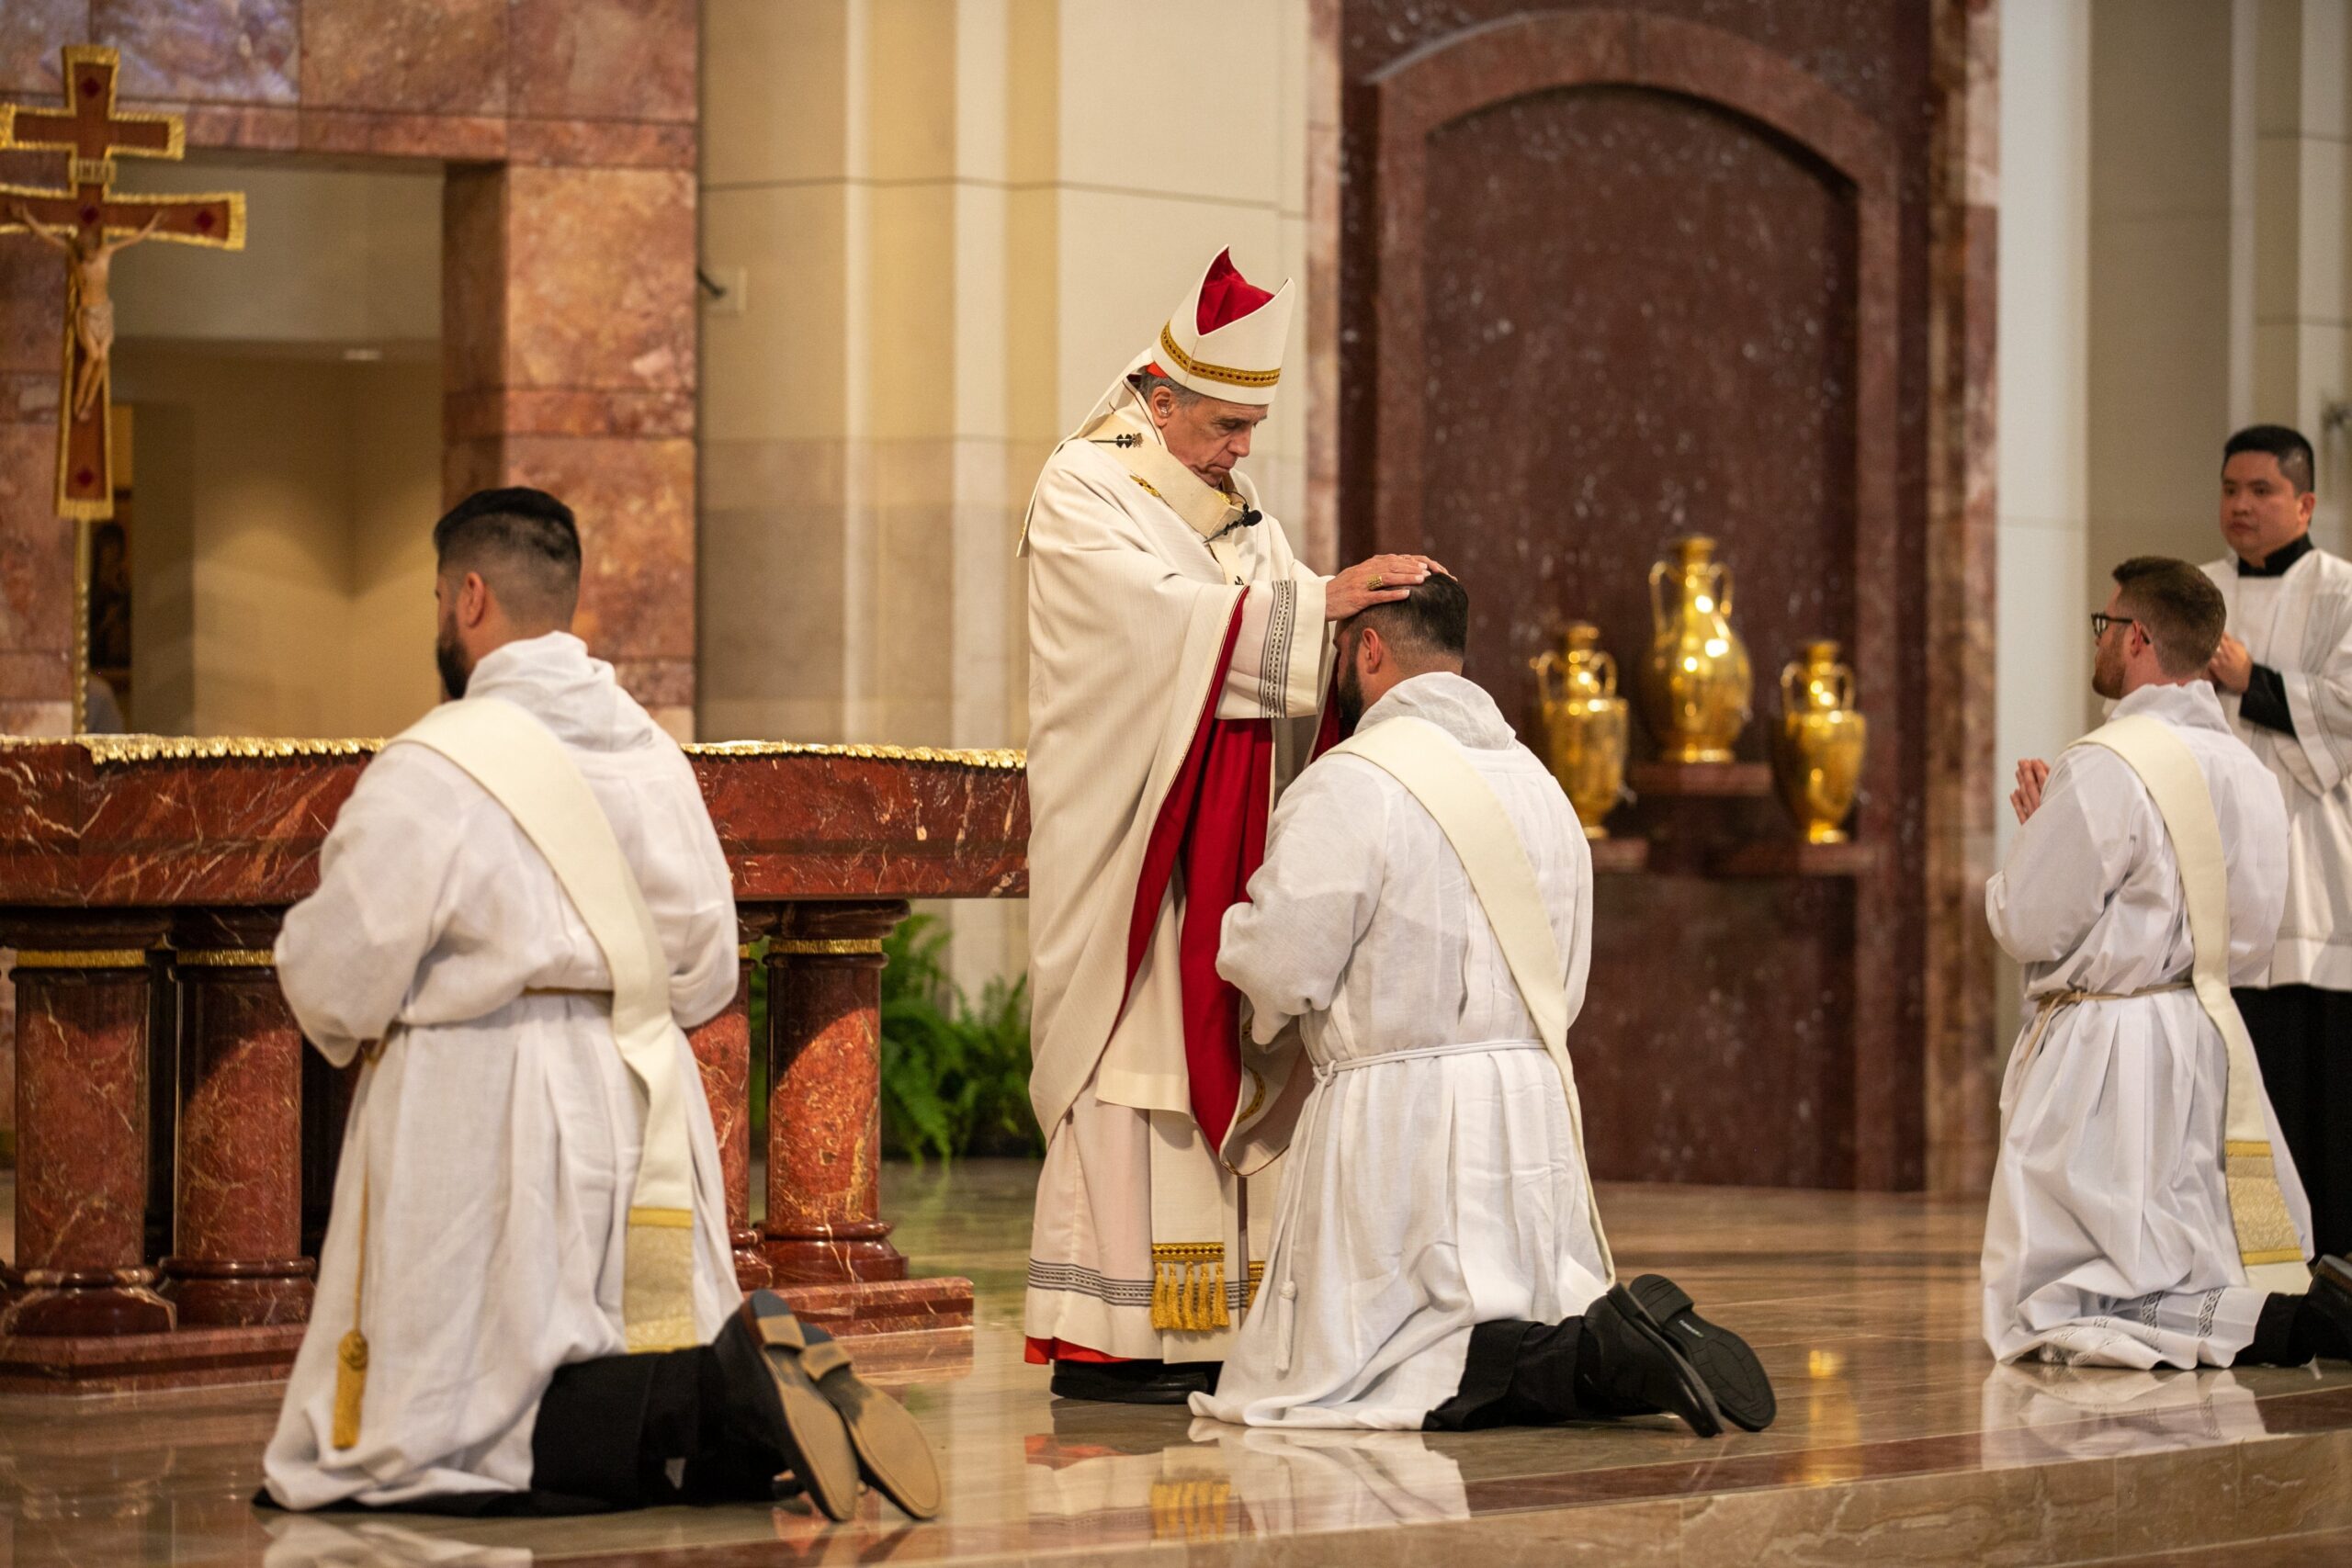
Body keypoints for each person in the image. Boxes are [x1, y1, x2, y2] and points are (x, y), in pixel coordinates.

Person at [262, 488, 937, 1521]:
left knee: (464, 1403)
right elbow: (707, 966)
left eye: (439, 599)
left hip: (481, 1092)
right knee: (624, 1330)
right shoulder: (651, 753)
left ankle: (717, 1401)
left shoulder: (435, 764)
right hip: (640, 1086)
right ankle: (725, 1404)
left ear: (469, 597)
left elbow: (341, 967)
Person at [1191, 573, 1773, 1435]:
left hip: (1405, 1117)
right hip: (1529, 1103)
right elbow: (1566, 977)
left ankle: (1603, 1357)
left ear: (1369, 649)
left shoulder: (1350, 782)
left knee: (1389, 1360)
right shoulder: (1541, 783)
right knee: (1503, 1309)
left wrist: (1226, 935)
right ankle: (1608, 1351)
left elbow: (1283, 963)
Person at [1021, 247, 1447, 1404]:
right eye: (1224, 425)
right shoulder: (1084, 488)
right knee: (1136, 1069)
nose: (1240, 450)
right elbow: (1147, 632)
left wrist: (1355, 625)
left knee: (1215, 1048)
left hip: (1222, 837)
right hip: (1131, 840)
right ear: (1158, 402)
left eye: (1251, 428)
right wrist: (1317, 602)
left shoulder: (1238, 513)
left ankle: (1214, 1331)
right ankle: (1113, 1341)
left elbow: (1277, 639)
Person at [1985, 555, 2352, 1369]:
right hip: (2208, 1034)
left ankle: (2288, 1327)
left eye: (2107, 624)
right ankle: (2288, 1317)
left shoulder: (2107, 762)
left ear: (2139, 637)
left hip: (2107, 1051)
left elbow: (2029, 921)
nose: (2100, 639)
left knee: (2071, 1290)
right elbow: (2250, 931)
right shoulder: (2249, 772)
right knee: (2191, 1243)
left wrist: (2034, 845)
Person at [2200, 424, 2352, 1258]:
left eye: (2261, 490)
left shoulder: (2342, 591)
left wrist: (2248, 681)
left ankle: (2331, 1266)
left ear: (2305, 502)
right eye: (2231, 489)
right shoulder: (2194, 594)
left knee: (2318, 1089)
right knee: (2238, 1096)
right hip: (2217, 873)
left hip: (2313, 878)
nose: (2241, 505)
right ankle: (2257, 1264)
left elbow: (2346, 716)